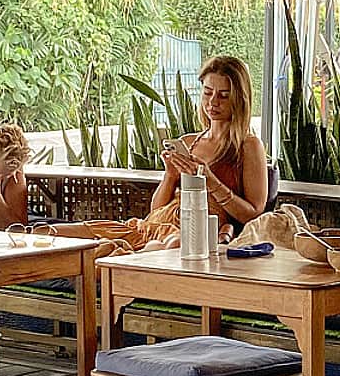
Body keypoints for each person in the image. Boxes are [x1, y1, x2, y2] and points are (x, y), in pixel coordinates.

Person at [54, 55, 269, 255]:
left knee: (162, 246)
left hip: (190, 231)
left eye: (223, 95)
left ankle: (113, 261)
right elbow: (156, 209)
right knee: (57, 232)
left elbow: (254, 214)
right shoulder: (188, 142)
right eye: (207, 92)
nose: (213, 102)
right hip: (153, 224)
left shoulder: (248, 146)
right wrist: (170, 175)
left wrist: (210, 182)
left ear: (239, 99)